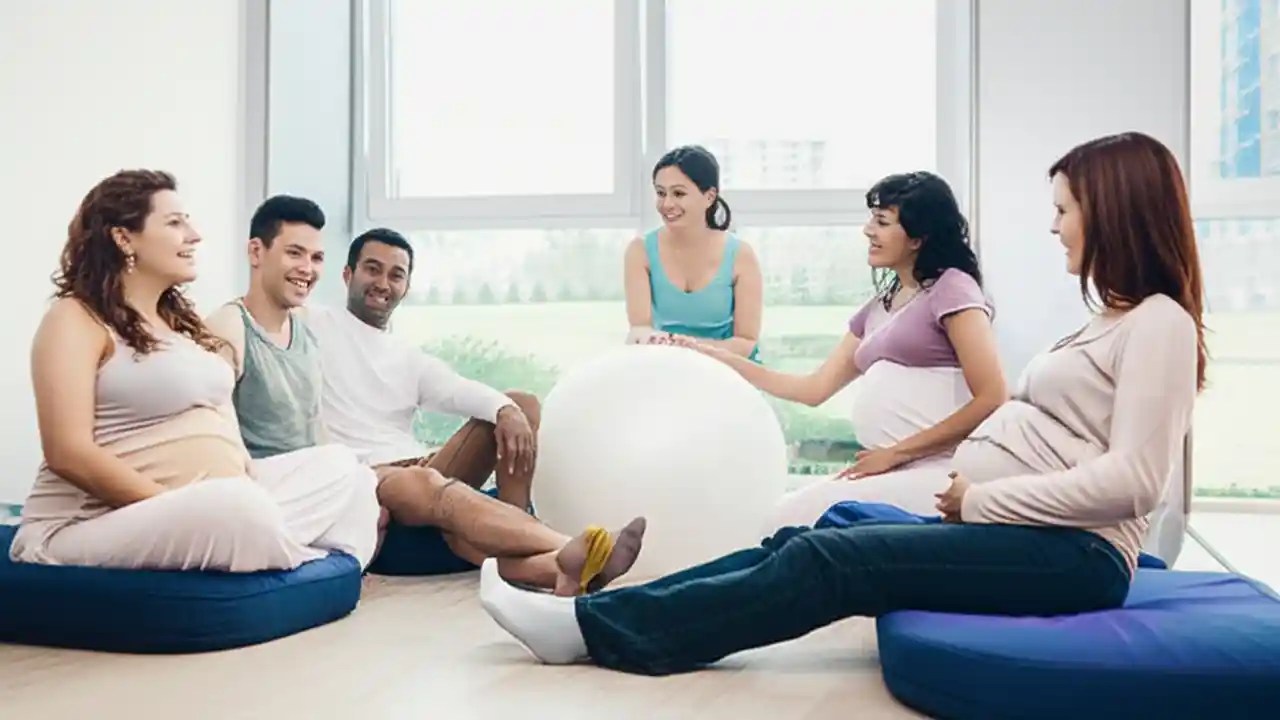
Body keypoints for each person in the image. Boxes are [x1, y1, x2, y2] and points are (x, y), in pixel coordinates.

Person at [478, 131, 1207, 675]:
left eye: (1065, 209)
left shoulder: (1160, 323)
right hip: (1031, 531)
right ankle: (592, 608)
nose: (1054, 225)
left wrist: (982, 498)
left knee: (833, 561)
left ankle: (596, 635)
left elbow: (1137, 483)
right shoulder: (1111, 320)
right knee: (819, 530)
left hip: (1077, 555)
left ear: (1113, 212)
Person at [9, 170, 381, 573]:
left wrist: (239, 481)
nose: (194, 235)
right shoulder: (75, 318)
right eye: (175, 223)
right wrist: (173, 507)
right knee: (238, 509)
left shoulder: (178, 325)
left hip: (213, 500)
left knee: (350, 473)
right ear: (123, 238)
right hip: (95, 521)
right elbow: (67, 453)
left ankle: (269, 549)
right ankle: (277, 552)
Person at [296, 227, 646, 596]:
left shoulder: (405, 356)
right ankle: (572, 549)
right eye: (372, 269)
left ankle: (536, 542)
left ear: (406, 287)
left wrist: (506, 409)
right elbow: (263, 305)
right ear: (348, 274)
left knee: (521, 405)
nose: (383, 283)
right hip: (369, 481)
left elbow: (457, 390)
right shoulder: (312, 324)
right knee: (429, 485)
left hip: (418, 468)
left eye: (395, 275)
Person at [672, 171, 1007, 526]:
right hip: (892, 467)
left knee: (789, 521)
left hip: (939, 471)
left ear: (917, 238)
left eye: (882, 222)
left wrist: (895, 454)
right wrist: (722, 359)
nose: (868, 230)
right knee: (781, 518)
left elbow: (993, 396)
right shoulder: (880, 306)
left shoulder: (952, 289)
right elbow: (813, 389)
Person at [204, 195, 328, 460]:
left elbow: (316, 427)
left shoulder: (307, 328)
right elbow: (213, 433)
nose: (307, 269)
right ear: (256, 252)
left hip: (313, 471)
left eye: (317, 258)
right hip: (258, 476)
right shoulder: (227, 328)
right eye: (294, 253)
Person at [624, 145, 763, 361]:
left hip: (728, 369)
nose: (666, 204)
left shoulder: (741, 255)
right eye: (661, 193)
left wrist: (690, 348)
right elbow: (640, 332)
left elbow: (746, 342)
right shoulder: (640, 251)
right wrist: (677, 352)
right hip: (667, 366)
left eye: (678, 193)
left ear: (709, 197)